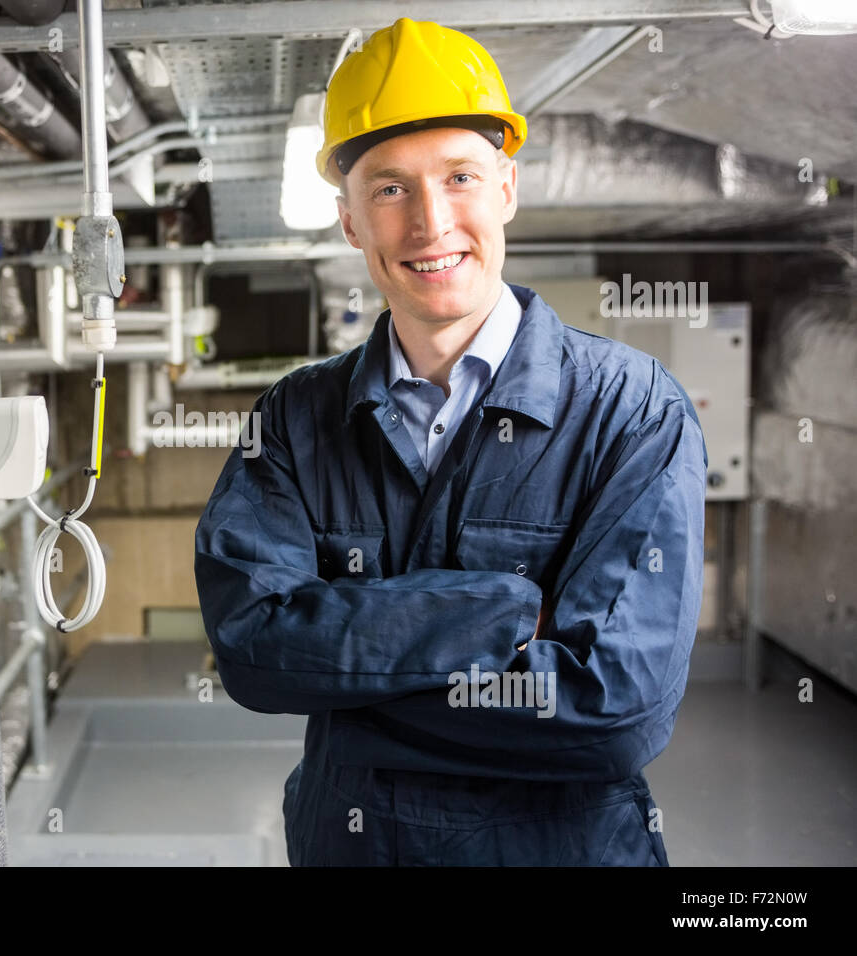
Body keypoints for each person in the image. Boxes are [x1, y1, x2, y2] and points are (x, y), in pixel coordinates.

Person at [194, 18, 708, 866]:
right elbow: (253, 653)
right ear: (351, 222)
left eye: (460, 177)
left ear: (507, 188)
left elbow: (615, 713)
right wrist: (503, 612)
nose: (431, 224)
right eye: (390, 189)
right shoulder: (292, 420)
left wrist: (352, 692)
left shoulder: (631, 411)